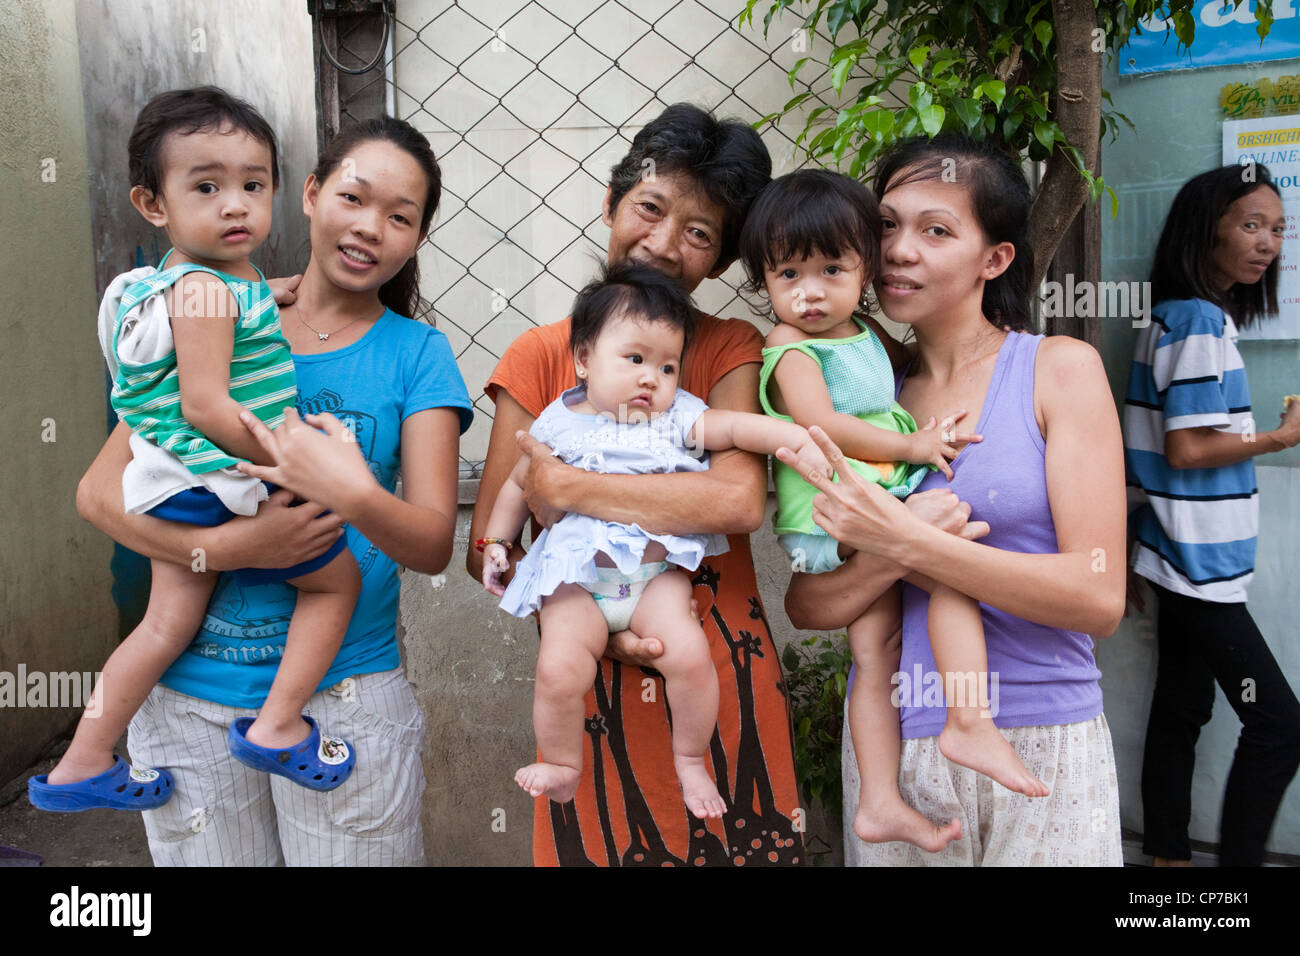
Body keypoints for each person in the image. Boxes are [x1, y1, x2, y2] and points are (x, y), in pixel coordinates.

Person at [73, 114, 473, 865]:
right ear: (312, 195)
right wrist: (227, 547)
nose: (370, 228)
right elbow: (98, 497)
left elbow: (428, 545)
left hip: (344, 701)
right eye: (353, 198)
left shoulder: (417, 354)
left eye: (400, 217)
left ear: (417, 238)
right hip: (190, 698)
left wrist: (353, 493)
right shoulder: (222, 323)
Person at [469, 103, 860, 866]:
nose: (662, 243)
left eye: (700, 233)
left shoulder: (728, 347)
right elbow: (492, 537)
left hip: (714, 659)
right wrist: (599, 629)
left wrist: (571, 490)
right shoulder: (541, 356)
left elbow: (737, 500)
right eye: (649, 208)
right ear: (612, 203)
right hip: (583, 674)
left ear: (718, 262)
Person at [778, 133, 1127, 866]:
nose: (901, 250)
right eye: (886, 226)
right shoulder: (867, 401)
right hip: (898, 753)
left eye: (937, 230)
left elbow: (1098, 596)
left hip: (1042, 738)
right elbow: (810, 606)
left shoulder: (1056, 370)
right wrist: (891, 551)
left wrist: (910, 543)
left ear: (994, 258)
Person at [30, 88, 363, 813]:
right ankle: (278, 726)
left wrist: (263, 293)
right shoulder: (206, 292)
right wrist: (294, 458)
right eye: (206, 187)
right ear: (153, 205)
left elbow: (220, 317)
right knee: (336, 582)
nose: (236, 204)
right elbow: (205, 403)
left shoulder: (213, 283)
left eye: (253, 184)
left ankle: (83, 761)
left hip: (174, 482)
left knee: (162, 624)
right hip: (217, 477)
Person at [737, 168, 1048, 853]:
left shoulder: (872, 335)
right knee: (950, 572)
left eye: (830, 269)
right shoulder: (788, 346)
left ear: (864, 268)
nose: (809, 292)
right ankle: (968, 718)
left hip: (873, 492)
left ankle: (878, 800)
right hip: (841, 500)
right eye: (787, 275)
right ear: (763, 280)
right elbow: (824, 423)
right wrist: (915, 441)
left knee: (877, 652)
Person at [480, 262, 829, 819]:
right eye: (635, 359)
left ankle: (690, 759)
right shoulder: (557, 422)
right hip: (578, 580)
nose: (651, 378)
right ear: (585, 359)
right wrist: (497, 541)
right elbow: (519, 485)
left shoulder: (677, 417)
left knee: (689, 656)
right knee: (558, 668)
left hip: (652, 580)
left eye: (668, 366)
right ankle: (565, 764)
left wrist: (793, 437)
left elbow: (736, 430)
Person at [1124, 163, 1300, 867]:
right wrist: (1280, 439)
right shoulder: (1196, 321)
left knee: (1183, 707)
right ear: (1208, 228)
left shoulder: (1180, 314)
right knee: (1279, 724)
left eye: (1279, 231)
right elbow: (1190, 447)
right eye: (1251, 225)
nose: (1268, 244)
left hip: (1176, 552)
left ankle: (1166, 856)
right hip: (1196, 564)